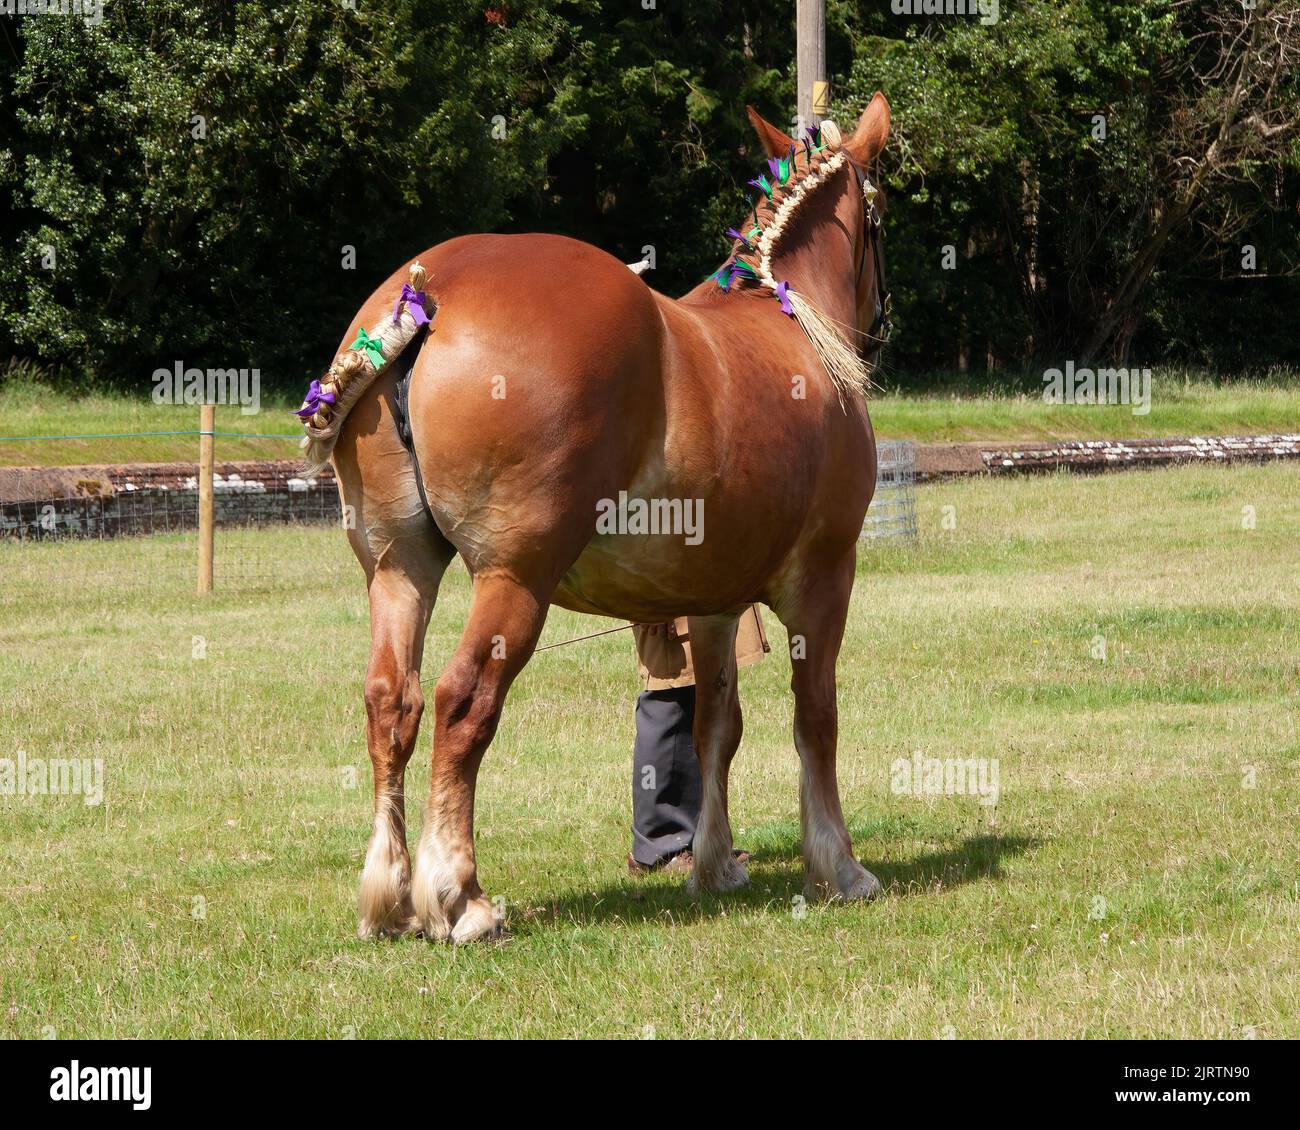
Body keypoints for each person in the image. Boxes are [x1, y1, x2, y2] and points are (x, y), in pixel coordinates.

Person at [627, 606, 768, 874]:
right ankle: (659, 846)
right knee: (669, 684)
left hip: (701, 588)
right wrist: (655, 598)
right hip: (669, 585)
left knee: (702, 683)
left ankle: (694, 840)